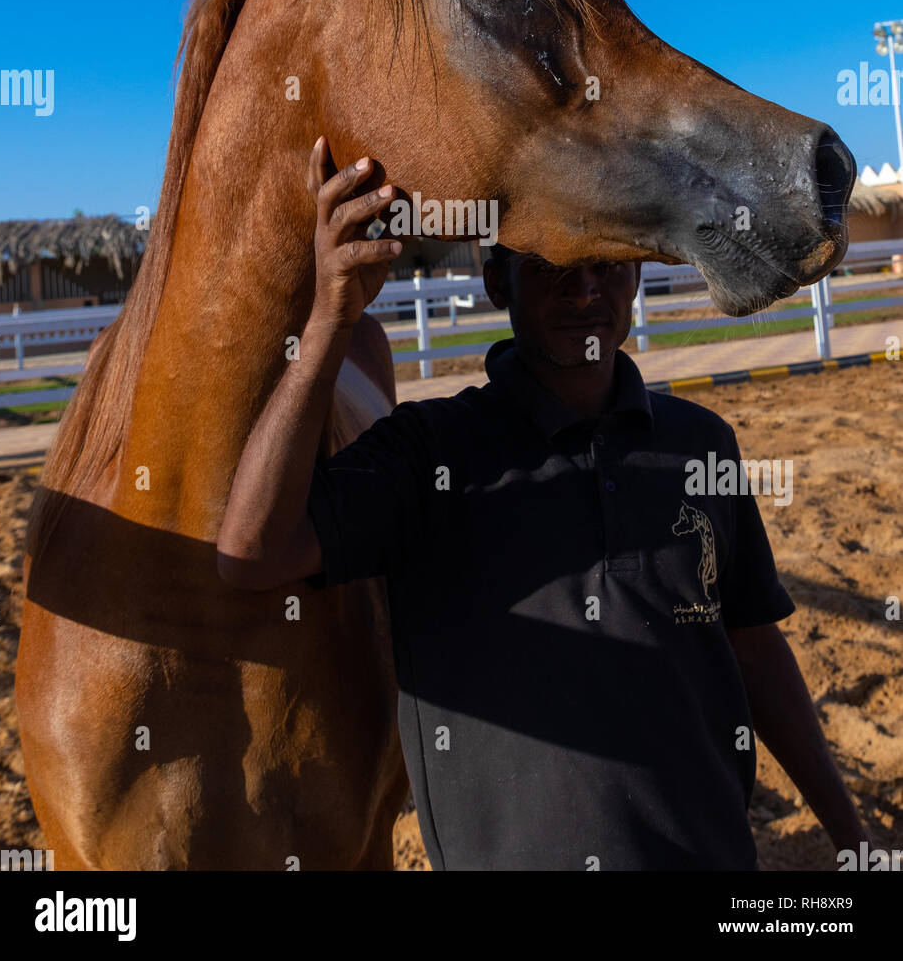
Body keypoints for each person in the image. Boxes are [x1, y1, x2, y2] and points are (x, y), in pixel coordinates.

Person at [217, 139, 870, 871]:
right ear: (499, 282)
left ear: (637, 274)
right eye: (550, 266)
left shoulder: (701, 445)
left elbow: (753, 647)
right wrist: (331, 320)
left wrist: (854, 839)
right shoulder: (429, 454)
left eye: (605, 263)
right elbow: (252, 553)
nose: (584, 289)